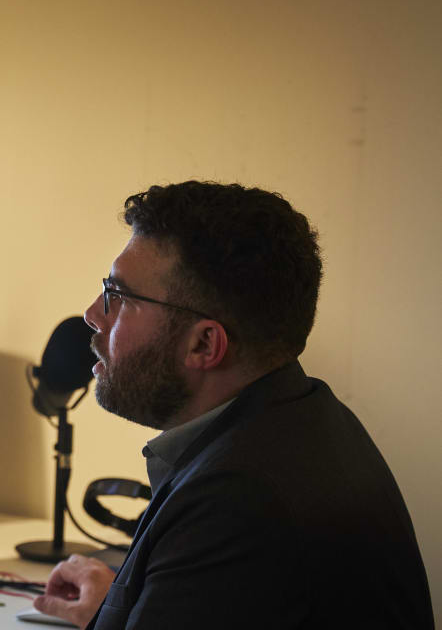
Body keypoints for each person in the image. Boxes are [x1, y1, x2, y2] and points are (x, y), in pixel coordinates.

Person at [33, 181, 433, 629]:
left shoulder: (236, 500)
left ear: (205, 344)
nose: (93, 313)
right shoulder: (312, 418)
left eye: (119, 296)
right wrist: (124, 607)